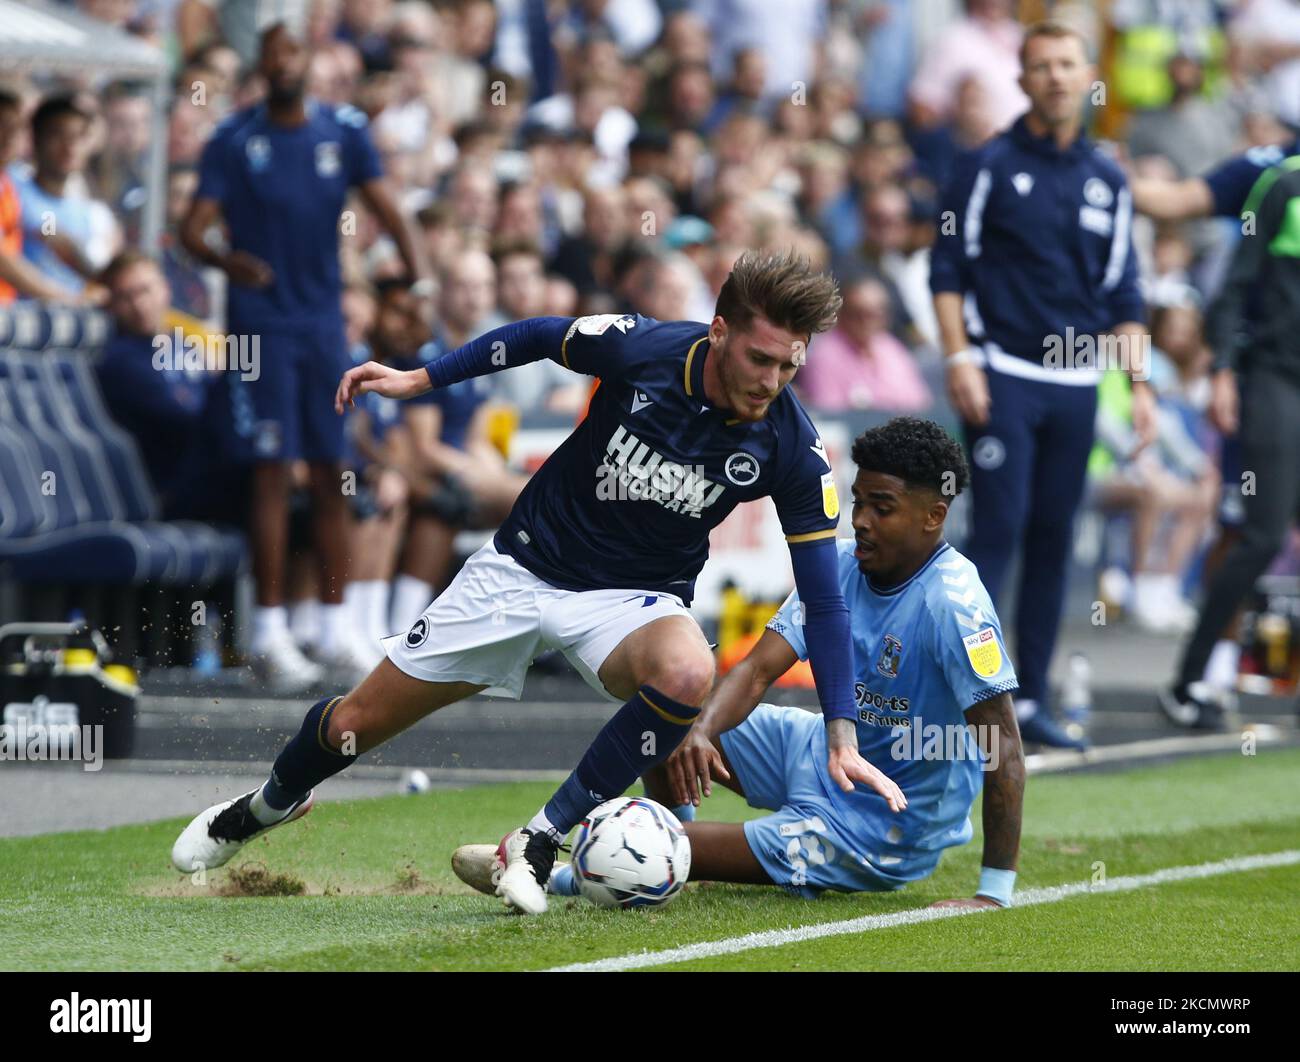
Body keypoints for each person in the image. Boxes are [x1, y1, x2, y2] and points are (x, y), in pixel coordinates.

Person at [170, 250, 907, 918]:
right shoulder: (644, 347)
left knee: (687, 672)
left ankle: (540, 839)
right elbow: (535, 334)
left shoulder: (791, 446)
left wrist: (841, 732)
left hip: (631, 602)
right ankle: (262, 808)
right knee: (352, 725)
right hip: (520, 570)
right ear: (718, 332)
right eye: (760, 359)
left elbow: (825, 598)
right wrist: (421, 378)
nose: (771, 382)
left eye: (790, 367)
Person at [455, 418, 1025, 907]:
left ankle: (559, 874)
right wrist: (698, 730)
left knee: (666, 842)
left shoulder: (954, 607)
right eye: (859, 502)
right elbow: (755, 671)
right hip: (817, 749)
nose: (862, 521)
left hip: (881, 823)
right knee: (666, 714)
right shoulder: (843, 564)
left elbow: (1003, 745)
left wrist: (993, 889)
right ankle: (669, 852)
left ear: (934, 516)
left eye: (884, 508)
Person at [180, 22, 427, 689]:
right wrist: (223, 259)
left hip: (321, 325)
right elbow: (189, 228)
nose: (284, 64)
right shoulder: (234, 140)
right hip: (260, 326)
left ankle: (335, 622)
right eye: (273, 55)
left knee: (331, 467)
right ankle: (267, 629)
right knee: (268, 469)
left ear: (308, 62)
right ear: (262, 68)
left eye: (293, 53)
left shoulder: (342, 131)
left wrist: (416, 274)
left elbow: (388, 205)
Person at [931, 21, 1155, 750]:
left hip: (1079, 380)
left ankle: (1029, 704)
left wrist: (1141, 388)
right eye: (1041, 66)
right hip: (1004, 373)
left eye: (1067, 64)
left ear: (1087, 73)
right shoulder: (987, 163)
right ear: (1022, 80)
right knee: (996, 534)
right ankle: (973, 707)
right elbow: (947, 270)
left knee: (1057, 541)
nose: (1056, 77)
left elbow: (1125, 294)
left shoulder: (1109, 178)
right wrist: (961, 360)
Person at [1157, 158, 1300, 730]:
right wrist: (1222, 371)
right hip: (1274, 379)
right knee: (1262, 535)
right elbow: (1236, 285)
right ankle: (1189, 680)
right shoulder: (1283, 184)